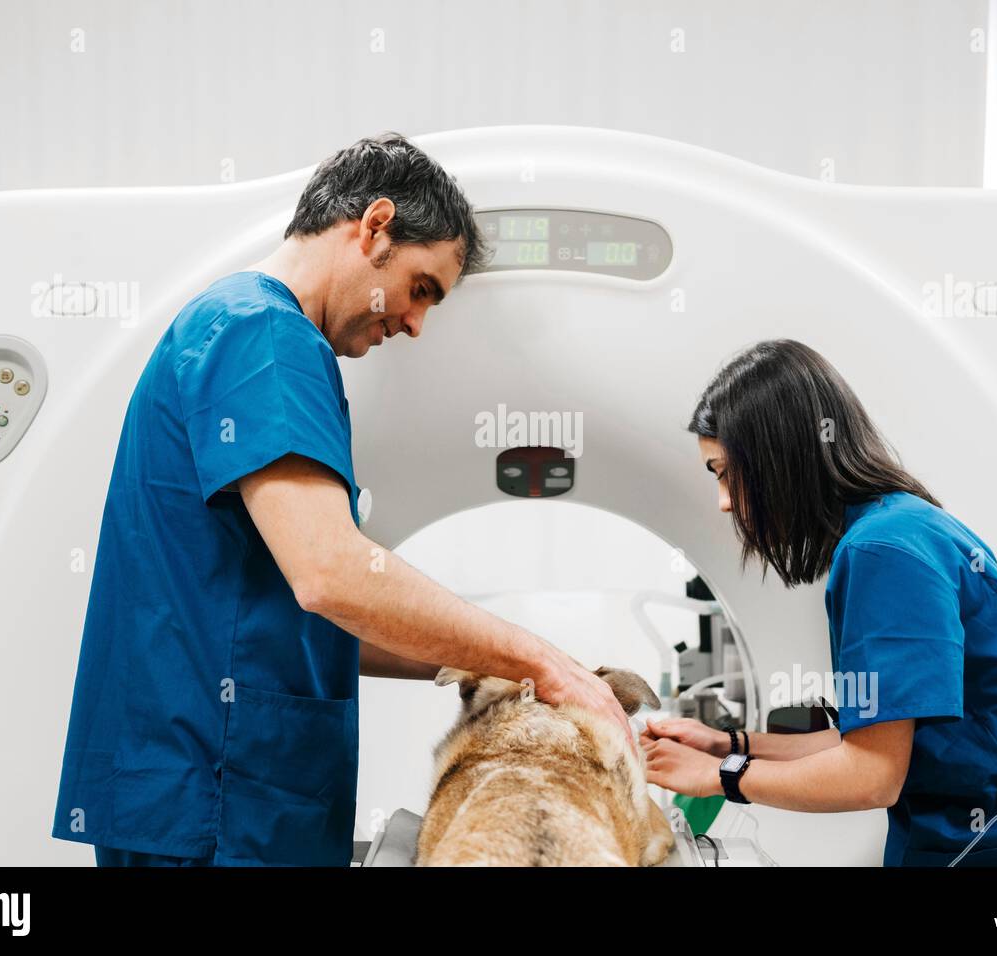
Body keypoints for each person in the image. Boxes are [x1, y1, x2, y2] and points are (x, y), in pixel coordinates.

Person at [52, 132, 631, 867]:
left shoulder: (250, 334)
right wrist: (540, 658)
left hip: (217, 796)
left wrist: (492, 667)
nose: (417, 324)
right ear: (376, 227)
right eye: (423, 288)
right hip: (214, 804)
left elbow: (298, 619)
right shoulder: (262, 335)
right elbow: (331, 573)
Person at [641, 339, 997, 866]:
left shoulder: (883, 551)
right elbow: (864, 745)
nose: (724, 501)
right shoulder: (896, 525)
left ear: (779, 456)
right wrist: (728, 745)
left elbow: (871, 778)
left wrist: (715, 778)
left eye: (725, 472)